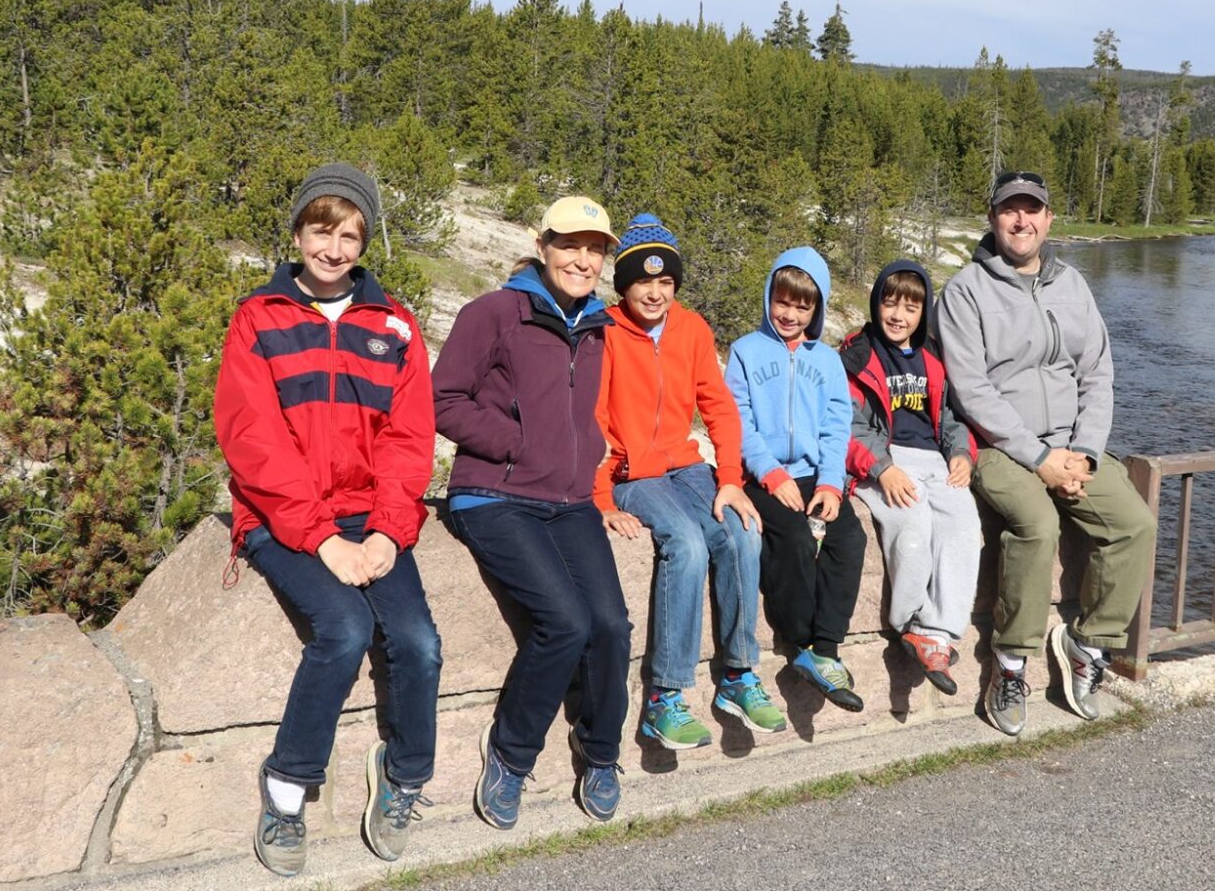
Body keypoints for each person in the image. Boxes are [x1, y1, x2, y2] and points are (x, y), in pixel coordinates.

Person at [214, 162, 440, 877]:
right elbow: (253, 441)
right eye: (322, 230)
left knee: (419, 641)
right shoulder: (260, 317)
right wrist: (319, 538)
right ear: (298, 231)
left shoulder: (395, 325)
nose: (334, 248)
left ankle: (404, 778)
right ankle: (286, 788)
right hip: (279, 516)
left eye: (350, 234)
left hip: (370, 516)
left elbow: (410, 441)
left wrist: (386, 529)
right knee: (342, 629)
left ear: (366, 238)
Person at [432, 196, 630, 829]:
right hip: (494, 495)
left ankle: (599, 751)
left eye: (595, 249)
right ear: (540, 245)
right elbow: (443, 401)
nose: (583, 259)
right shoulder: (494, 312)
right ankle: (511, 755)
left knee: (613, 626)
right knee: (565, 623)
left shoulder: (597, 326)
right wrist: (517, 443)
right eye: (570, 244)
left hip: (569, 502)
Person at [938, 170, 1157, 736]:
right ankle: (1010, 665)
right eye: (1010, 209)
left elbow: (1098, 373)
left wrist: (1084, 452)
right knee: (1037, 525)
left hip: (1072, 445)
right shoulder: (965, 290)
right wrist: (1040, 458)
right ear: (992, 218)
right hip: (999, 446)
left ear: (1048, 219)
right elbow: (971, 389)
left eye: (1032, 210)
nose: (1021, 220)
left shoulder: (1073, 285)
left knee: (1133, 522)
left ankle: (1088, 643)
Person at [596, 214, 788, 747]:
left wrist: (730, 479)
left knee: (743, 531)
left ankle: (738, 676)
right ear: (624, 284)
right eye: (642, 281)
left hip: (687, 466)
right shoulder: (605, 330)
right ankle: (664, 695)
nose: (655, 293)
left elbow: (721, 411)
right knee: (685, 543)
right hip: (632, 474)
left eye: (665, 282)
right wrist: (600, 497)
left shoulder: (693, 328)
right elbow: (590, 418)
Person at [725, 247, 865, 712]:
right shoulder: (745, 351)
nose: (789, 314)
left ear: (816, 309)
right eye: (782, 302)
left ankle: (826, 648)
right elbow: (738, 420)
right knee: (794, 538)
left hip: (813, 473)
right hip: (762, 475)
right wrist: (769, 472)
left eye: (802, 306)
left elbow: (835, 425)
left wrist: (830, 482)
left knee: (849, 538)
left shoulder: (826, 360)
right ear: (769, 297)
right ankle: (800, 641)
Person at [840, 259, 981, 695]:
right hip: (882, 459)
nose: (899, 316)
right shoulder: (856, 355)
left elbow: (954, 414)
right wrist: (882, 468)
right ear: (876, 302)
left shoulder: (935, 356)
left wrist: (962, 453)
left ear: (924, 313)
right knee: (913, 521)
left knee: (962, 522)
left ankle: (938, 633)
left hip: (933, 457)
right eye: (890, 303)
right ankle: (908, 621)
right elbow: (846, 424)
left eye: (911, 308)